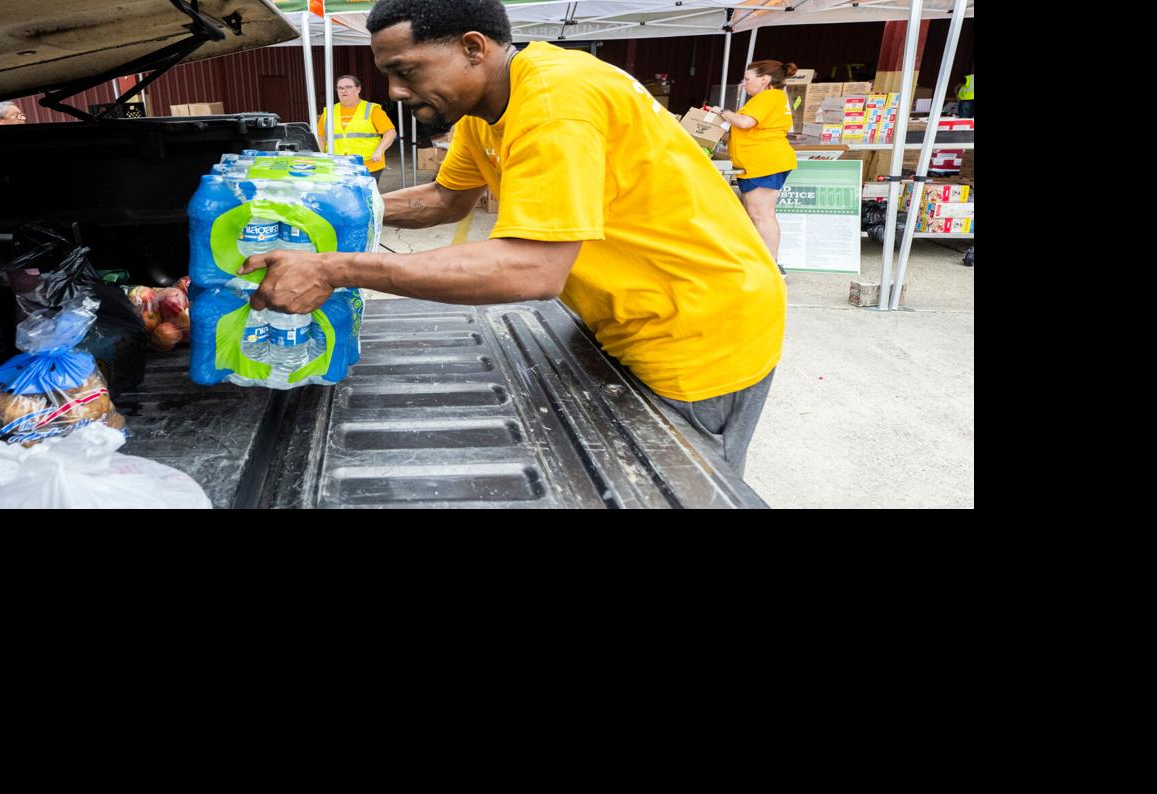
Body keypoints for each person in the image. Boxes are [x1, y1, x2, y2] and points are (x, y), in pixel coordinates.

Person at [241, 0, 784, 475]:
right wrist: (330, 213)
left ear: (474, 48)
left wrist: (336, 268)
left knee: (679, 486)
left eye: (405, 70)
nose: (395, 91)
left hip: (700, 328)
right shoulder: (483, 111)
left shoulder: (554, 102)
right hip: (628, 316)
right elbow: (447, 199)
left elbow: (532, 269)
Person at [706, 60, 799, 267]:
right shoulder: (768, 98)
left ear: (764, 79)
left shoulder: (768, 96)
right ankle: (763, 263)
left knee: (762, 214)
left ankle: (772, 265)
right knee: (756, 213)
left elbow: (745, 122)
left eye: (747, 79)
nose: (743, 84)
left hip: (765, 162)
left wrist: (722, 112)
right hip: (758, 163)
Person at [317, 75, 398, 181]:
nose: (344, 91)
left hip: (368, 166)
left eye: (348, 87)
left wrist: (379, 150)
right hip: (337, 166)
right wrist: (319, 156)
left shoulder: (372, 109)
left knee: (363, 197)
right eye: (340, 88)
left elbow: (390, 132)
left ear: (358, 89)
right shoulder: (328, 111)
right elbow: (321, 136)